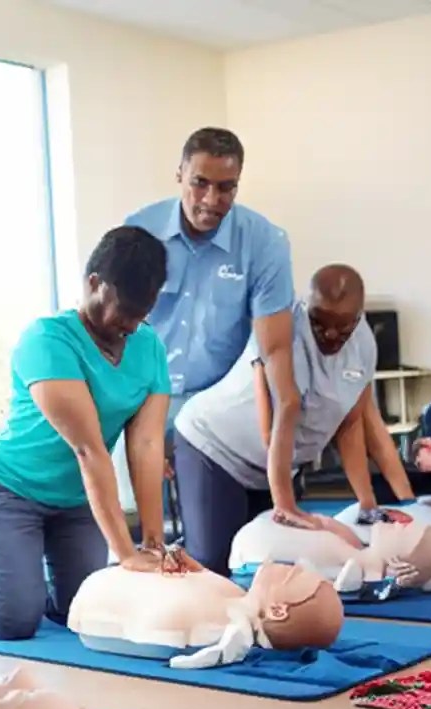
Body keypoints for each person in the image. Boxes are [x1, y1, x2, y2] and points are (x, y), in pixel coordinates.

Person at [0, 226, 201, 642]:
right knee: (13, 620)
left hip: (76, 504)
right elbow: (89, 450)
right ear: (94, 284)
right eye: (123, 308)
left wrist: (154, 545)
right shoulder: (47, 339)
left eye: (142, 312)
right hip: (8, 492)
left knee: (83, 612)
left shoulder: (149, 349)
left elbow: (145, 445)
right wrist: (126, 555)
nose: (130, 322)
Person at [172, 264, 417, 574]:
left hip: (273, 465)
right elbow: (273, 427)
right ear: (306, 306)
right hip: (214, 447)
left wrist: (371, 505)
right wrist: (285, 506)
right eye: (319, 322)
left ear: (358, 316)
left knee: (268, 567)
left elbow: (351, 426)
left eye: (342, 327)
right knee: (214, 565)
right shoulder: (281, 328)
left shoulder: (364, 344)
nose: (330, 334)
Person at [116, 127, 305, 528]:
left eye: (226, 188)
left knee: (223, 545)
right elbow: (115, 333)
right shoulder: (138, 231)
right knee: (143, 538)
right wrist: (132, 418)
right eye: (200, 183)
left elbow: (274, 350)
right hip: (148, 395)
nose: (210, 200)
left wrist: (284, 427)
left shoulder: (264, 242)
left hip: (223, 408)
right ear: (180, 174)